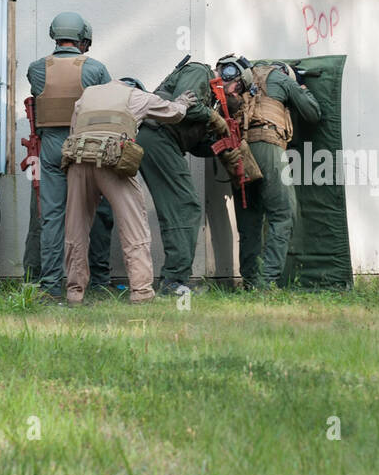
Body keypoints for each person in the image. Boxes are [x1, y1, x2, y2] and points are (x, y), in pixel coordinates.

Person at [62, 78, 193, 304]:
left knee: (75, 230)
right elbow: (175, 113)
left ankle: (74, 293)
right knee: (134, 228)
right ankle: (141, 293)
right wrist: (183, 101)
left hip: (78, 161)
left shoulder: (87, 94)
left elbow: (74, 128)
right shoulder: (137, 96)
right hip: (113, 163)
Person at [27, 12, 112, 300]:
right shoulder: (96, 69)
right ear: (83, 38)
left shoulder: (36, 69)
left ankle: (50, 285)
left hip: (51, 147)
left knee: (52, 217)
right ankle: (97, 282)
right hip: (85, 144)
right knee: (95, 213)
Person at [135, 55, 229, 295]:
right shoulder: (201, 71)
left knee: (180, 206)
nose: (235, 93)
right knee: (184, 206)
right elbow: (185, 106)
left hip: (161, 140)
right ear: (228, 74)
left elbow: (194, 145)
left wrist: (221, 145)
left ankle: (174, 279)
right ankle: (174, 282)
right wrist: (213, 117)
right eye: (236, 85)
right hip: (157, 136)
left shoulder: (212, 96)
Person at [232, 58, 321, 289]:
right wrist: (301, 87)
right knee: (283, 213)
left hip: (237, 151)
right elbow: (313, 113)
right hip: (267, 145)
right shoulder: (279, 77)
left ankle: (250, 282)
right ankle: (266, 282)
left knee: (249, 218)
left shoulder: (241, 79)